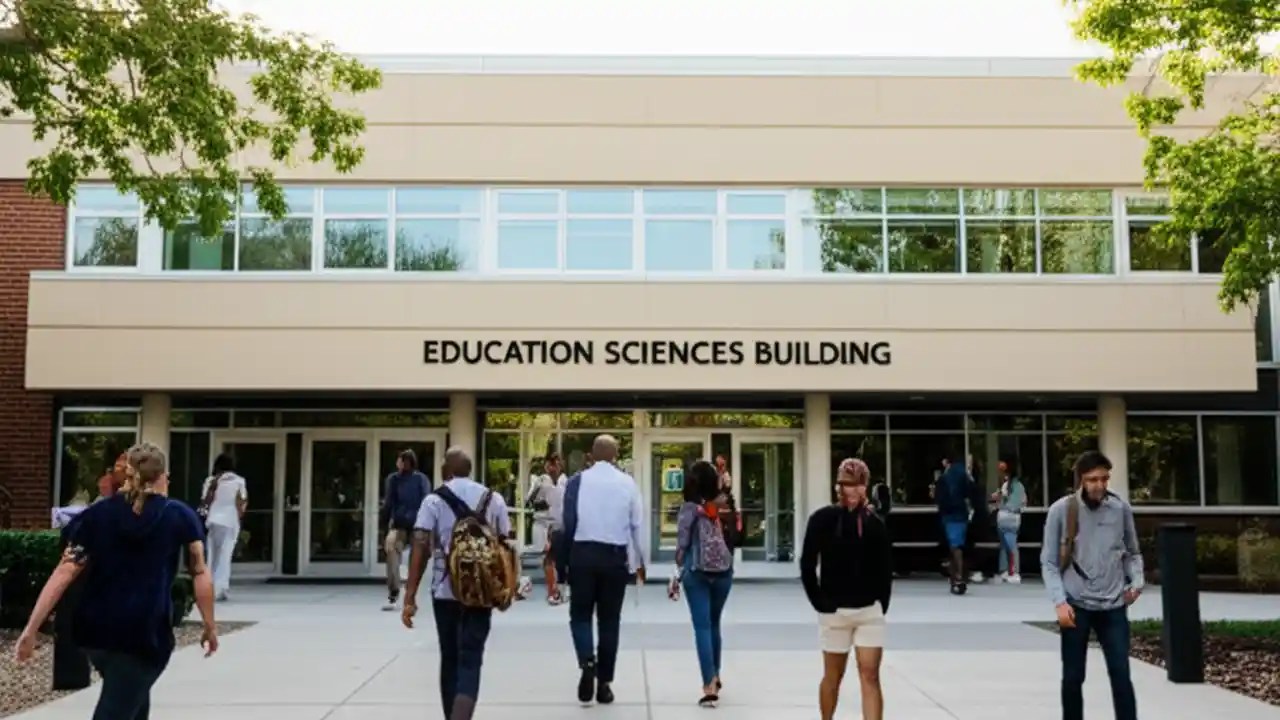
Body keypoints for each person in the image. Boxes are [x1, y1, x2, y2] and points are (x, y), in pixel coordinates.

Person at [14, 441, 218, 720]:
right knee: (119, 706)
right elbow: (200, 572)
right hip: (145, 632)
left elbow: (65, 570)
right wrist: (209, 625)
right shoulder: (178, 515)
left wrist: (31, 627)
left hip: (95, 632)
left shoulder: (97, 515)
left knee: (132, 699)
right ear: (161, 477)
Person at [402, 446, 511, 720]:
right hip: (481, 592)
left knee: (449, 658)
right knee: (471, 658)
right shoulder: (492, 499)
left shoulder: (433, 501)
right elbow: (505, 544)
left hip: (445, 590)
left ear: (448, 469)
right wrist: (506, 587)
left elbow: (420, 545)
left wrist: (410, 594)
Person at [1041, 450, 1143, 720]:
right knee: (1073, 677)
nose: (1099, 485)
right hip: (1076, 605)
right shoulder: (1061, 511)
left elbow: (1133, 552)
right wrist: (1059, 602)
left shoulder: (1120, 509)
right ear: (1080, 481)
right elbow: (1049, 562)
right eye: (1092, 479)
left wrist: (1137, 581)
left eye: (1104, 479)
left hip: (1113, 605)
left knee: (1121, 674)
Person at [801, 458, 892, 720]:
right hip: (834, 612)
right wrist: (819, 602)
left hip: (868, 612)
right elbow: (807, 564)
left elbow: (885, 568)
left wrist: (881, 604)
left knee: (870, 675)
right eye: (844, 484)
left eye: (855, 484)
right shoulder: (822, 519)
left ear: (864, 486)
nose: (850, 490)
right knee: (833, 676)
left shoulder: (875, 524)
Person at [561, 435, 645, 707]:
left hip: (582, 554)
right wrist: (640, 562)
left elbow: (568, 522)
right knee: (609, 620)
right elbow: (637, 525)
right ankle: (604, 684)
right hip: (614, 557)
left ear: (591, 455)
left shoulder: (576, 482)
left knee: (580, 615)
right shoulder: (627, 483)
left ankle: (587, 662)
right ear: (615, 455)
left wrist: (566, 560)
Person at [675, 460, 734, 707]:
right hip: (724, 571)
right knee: (714, 623)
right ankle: (716, 674)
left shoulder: (689, 509)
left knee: (702, 627)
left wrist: (677, 566)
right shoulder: (724, 505)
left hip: (697, 572)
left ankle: (709, 684)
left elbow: (682, 543)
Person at [381, 449, 432, 611]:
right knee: (393, 553)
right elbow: (389, 503)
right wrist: (386, 526)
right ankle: (395, 591)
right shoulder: (393, 479)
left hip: (416, 526)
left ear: (407, 462)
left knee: (413, 562)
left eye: (401, 460)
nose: (399, 463)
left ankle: (407, 596)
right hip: (401, 526)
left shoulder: (420, 480)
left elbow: (427, 501)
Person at [201, 453, 248, 602]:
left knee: (212, 556)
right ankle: (220, 588)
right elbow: (241, 502)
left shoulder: (210, 481)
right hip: (229, 520)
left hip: (213, 520)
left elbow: (204, 500)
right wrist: (239, 518)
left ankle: (209, 586)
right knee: (224, 555)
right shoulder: (239, 481)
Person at [934, 455, 972, 594]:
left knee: (954, 547)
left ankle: (957, 577)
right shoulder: (964, 475)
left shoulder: (946, 477)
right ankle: (959, 576)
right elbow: (970, 492)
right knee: (958, 545)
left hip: (950, 515)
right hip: (962, 514)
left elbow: (940, 497)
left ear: (946, 462)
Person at [991, 461, 1027, 583]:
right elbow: (1021, 503)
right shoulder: (1019, 486)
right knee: (1012, 545)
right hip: (1013, 518)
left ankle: (1004, 570)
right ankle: (1013, 571)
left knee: (1004, 546)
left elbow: (998, 500)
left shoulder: (1005, 486)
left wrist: (998, 503)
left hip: (1002, 517)